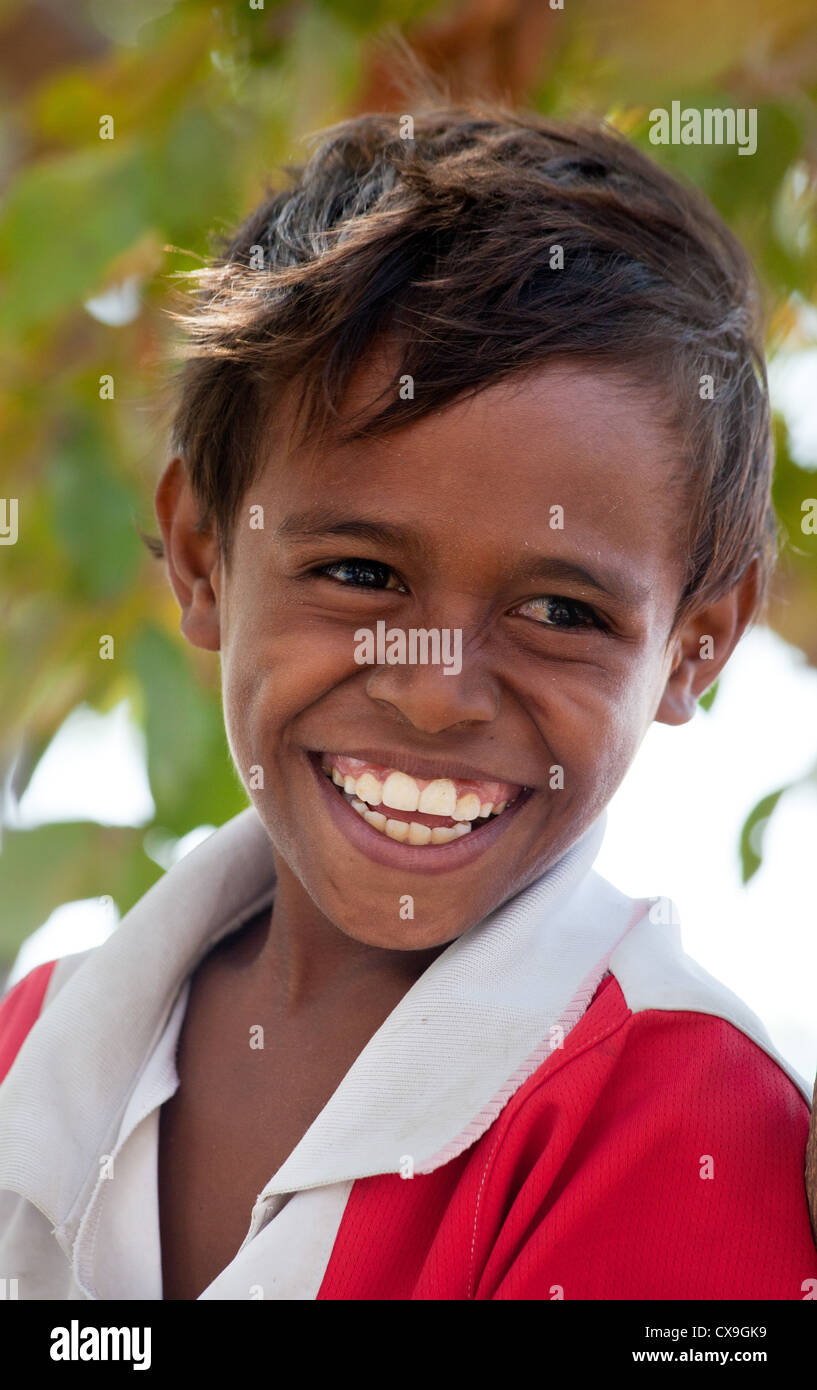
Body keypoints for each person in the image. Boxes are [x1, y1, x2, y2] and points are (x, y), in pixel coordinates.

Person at [1, 93, 815, 1300]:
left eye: (559, 613)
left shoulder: (681, 1114)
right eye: (358, 573)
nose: (437, 697)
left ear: (698, 643)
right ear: (202, 554)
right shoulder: (35, 1039)